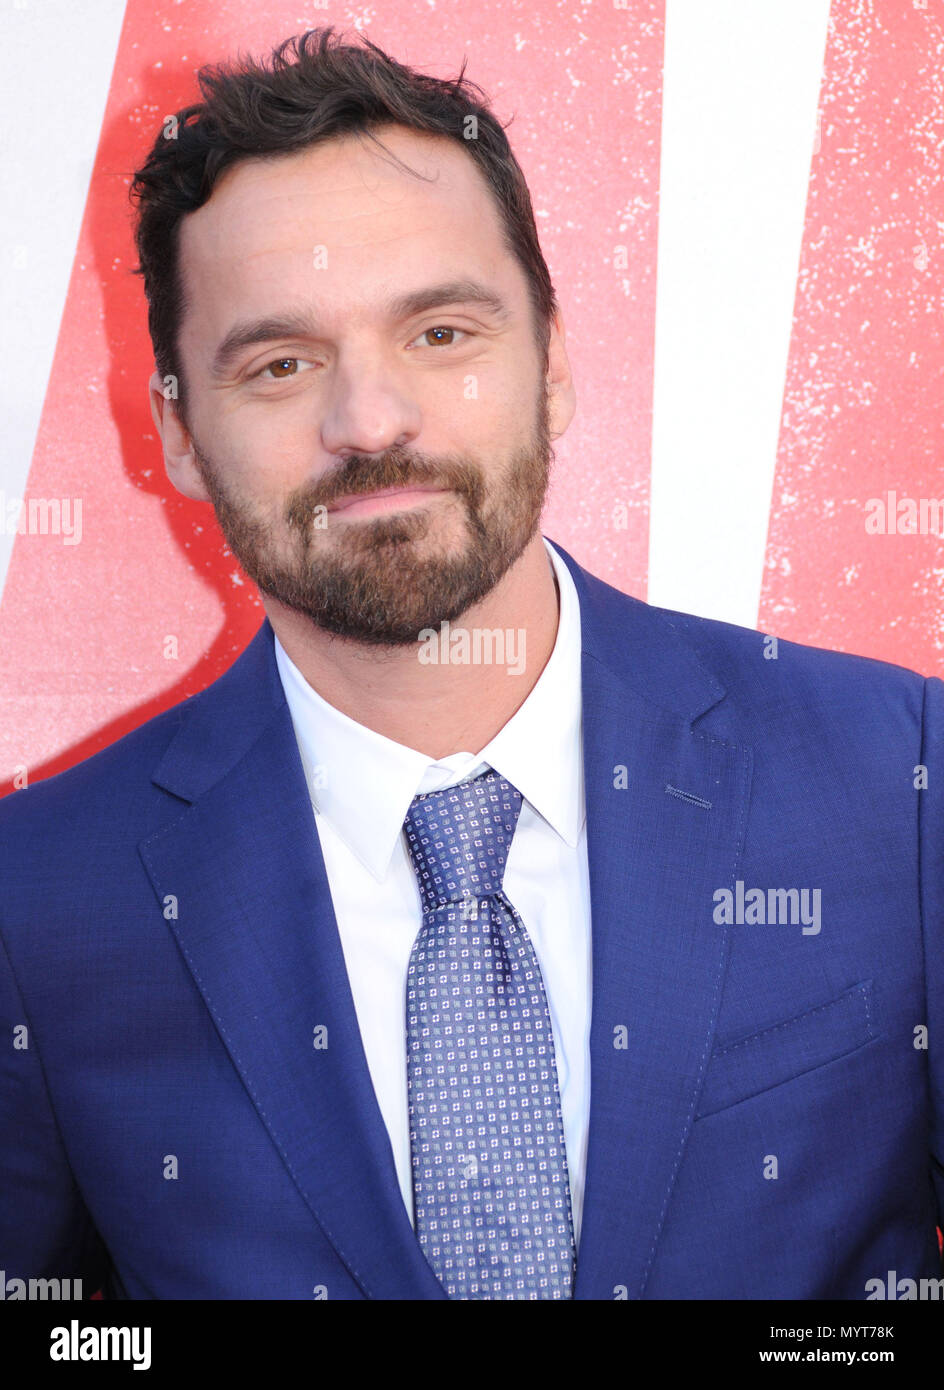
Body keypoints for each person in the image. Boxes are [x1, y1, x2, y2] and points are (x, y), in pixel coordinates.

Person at [0, 26, 941, 1302]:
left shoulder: (897, 780)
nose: (369, 420)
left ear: (548, 364)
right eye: (281, 363)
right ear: (176, 428)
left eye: (440, 333)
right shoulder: (41, 898)